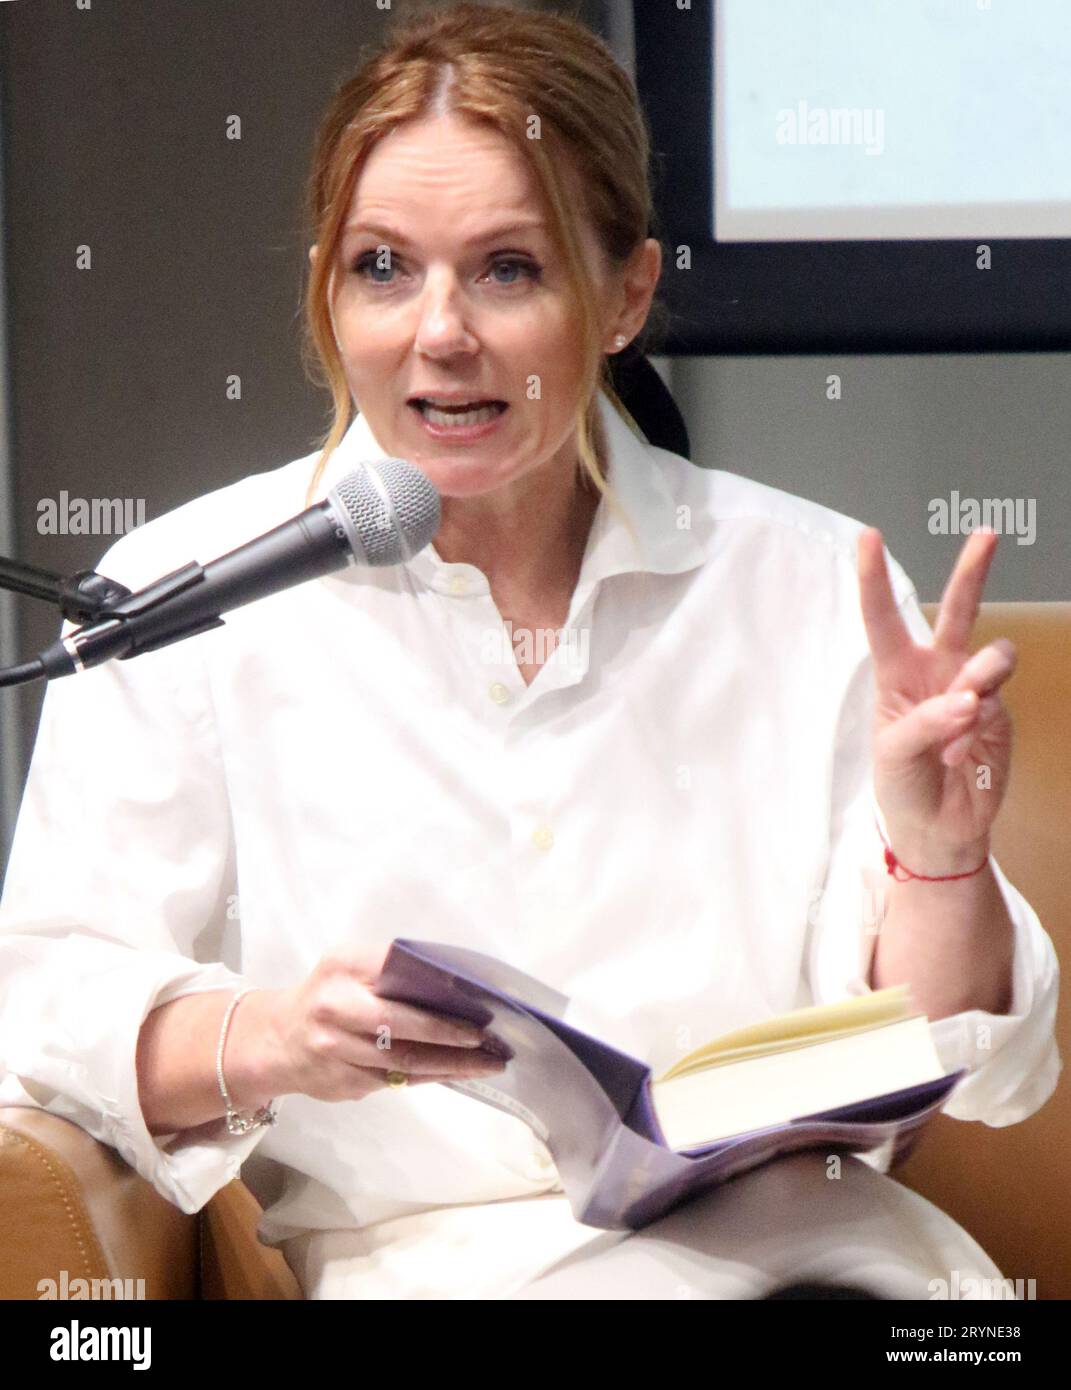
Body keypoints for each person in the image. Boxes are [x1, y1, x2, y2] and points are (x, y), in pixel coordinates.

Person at [0, 3, 1060, 1301]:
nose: (440, 330)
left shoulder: (813, 584)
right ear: (328, 288)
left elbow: (990, 1074)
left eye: (507, 268)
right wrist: (269, 1035)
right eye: (384, 267)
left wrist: (942, 858)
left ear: (625, 292)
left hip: (829, 1259)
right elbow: (46, 1016)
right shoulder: (182, 603)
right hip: (435, 1269)